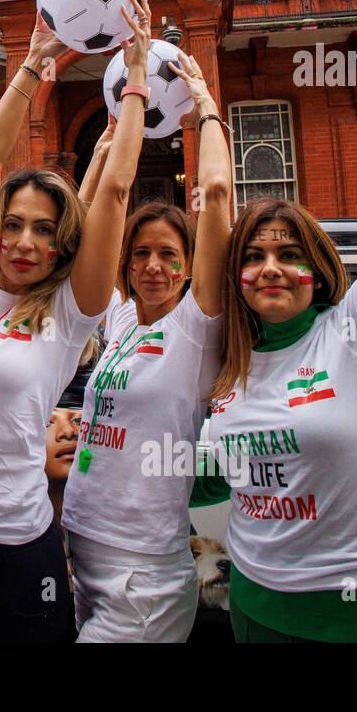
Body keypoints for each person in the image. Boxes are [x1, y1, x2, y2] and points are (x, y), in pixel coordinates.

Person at [201, 0, 357, 643]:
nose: (270, 267)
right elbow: (202, 482)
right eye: (252, 256)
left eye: (289, 254)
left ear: (319, 267)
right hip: (255, 608)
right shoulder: (231, 367)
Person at [0, 0, 153, 643]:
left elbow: (119, 187)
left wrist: (136, 77)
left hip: (14, 548)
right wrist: (34, 62)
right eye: (12, 223)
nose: (22, 240)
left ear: (62, 244)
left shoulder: (73, 311)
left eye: (42, 230)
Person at [60, 49, 231, 643]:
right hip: (82, 547)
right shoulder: (123, 319)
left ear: (189, 267)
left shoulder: (195, 327)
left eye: (168, 254)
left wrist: (205, 109)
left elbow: (214, 193)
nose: (153, 266)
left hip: (145, 573)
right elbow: (86, 224)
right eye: (141, 254)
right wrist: (107, 143)